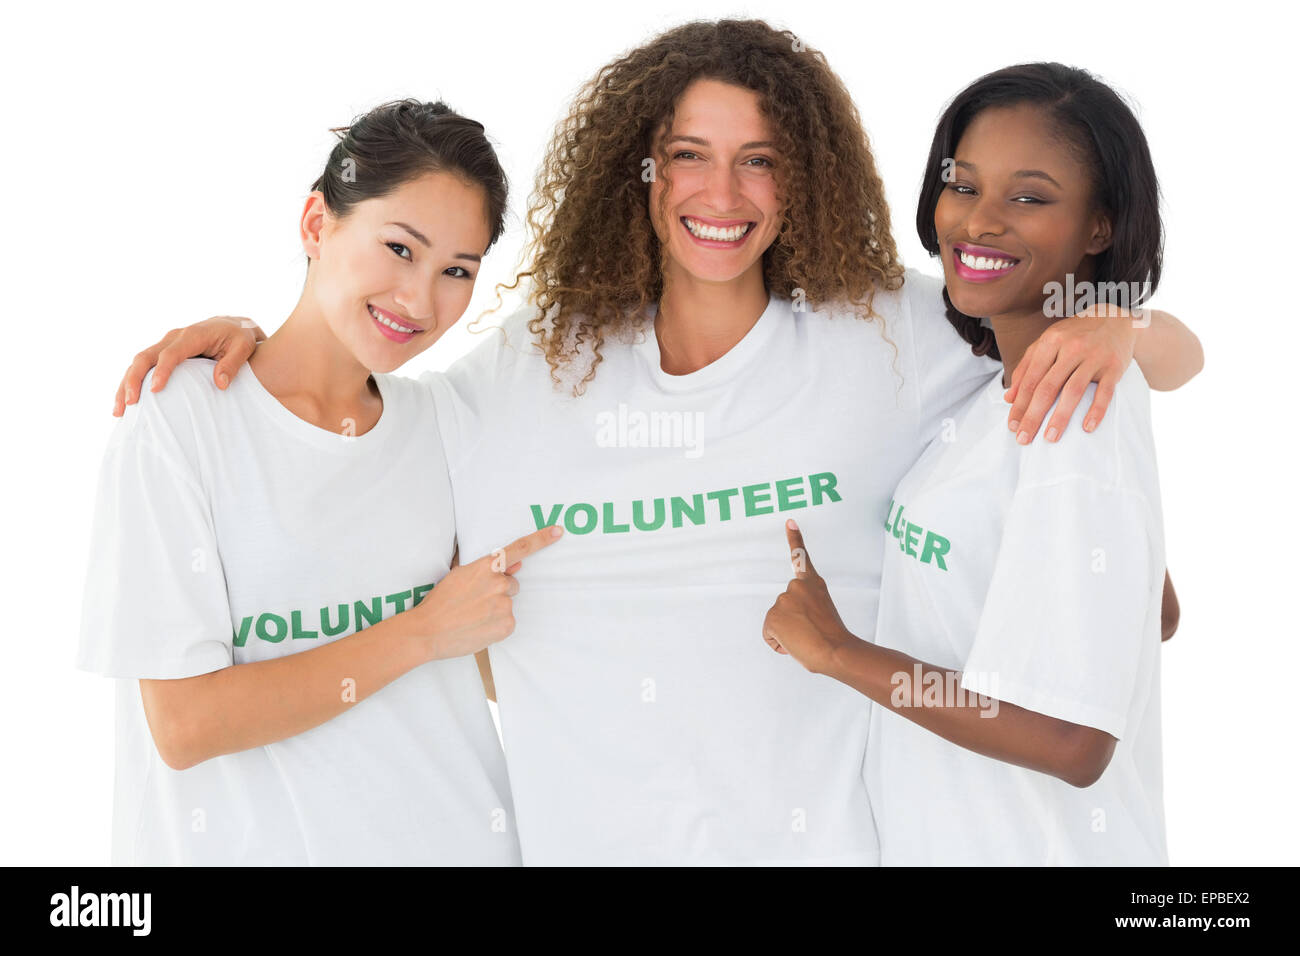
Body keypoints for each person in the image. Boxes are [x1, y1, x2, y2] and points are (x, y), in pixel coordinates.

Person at [111, 21, 1201, 864]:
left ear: (802, 176)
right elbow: (359, 394)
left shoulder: (890, 331)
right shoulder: (524, 372)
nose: (719, 194)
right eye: (687, 154)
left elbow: (1097, 435)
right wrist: (249, 356)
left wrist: (1126, 322)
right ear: (636, 170)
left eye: (759, 160)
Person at [78, 99, 561, 865]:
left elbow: (510, 665)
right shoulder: (180, 424)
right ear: (316, 224)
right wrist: (422, 632)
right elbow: (185, 725)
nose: (421, 298)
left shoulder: (447, 422)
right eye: (400, 248)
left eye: (457, 271)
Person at [762, 63, 1177, 864]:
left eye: (1029, 196)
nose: (979, 222)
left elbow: (1073, 741)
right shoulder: (1010, 390)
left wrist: (838, 652)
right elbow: (1154, 613)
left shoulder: (1075, 410)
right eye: (963, 184)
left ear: (1100, 226)